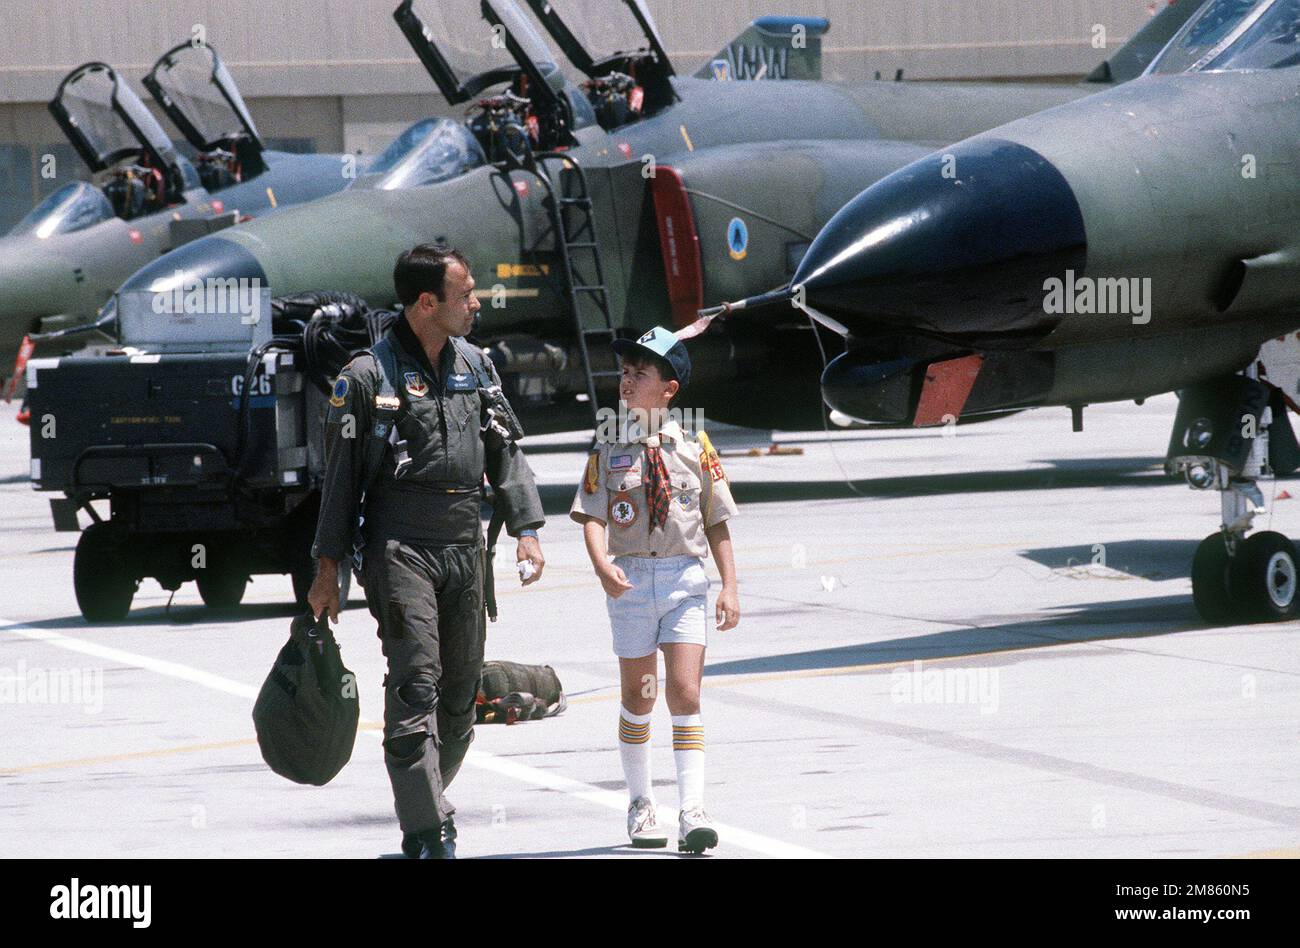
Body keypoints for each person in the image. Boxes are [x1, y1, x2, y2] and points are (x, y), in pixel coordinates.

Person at [308, 243, 546, 859]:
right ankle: (424, 827)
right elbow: (338, 481)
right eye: (465, 293)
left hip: (467, 542)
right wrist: (327, 569)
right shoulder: (365, 378)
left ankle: (429, 798)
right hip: (400, 544)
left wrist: (526, 527)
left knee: (461, 694)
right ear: (426, 302)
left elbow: (505, 449)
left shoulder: (477, 365)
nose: (475, 303)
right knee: (417, 682)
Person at [569, 326, 740, 854]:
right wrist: (601, 565)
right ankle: (641, 804)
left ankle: (692, 808)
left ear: (669, 389)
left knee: (685, 693)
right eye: (624, 372)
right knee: (638, 697)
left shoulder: (696, 444)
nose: (626, 382)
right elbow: (593, 515)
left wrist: (730, 585)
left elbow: (716, 519)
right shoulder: (609, 442)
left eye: (638, 374)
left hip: (684, 578)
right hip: (631, 582)